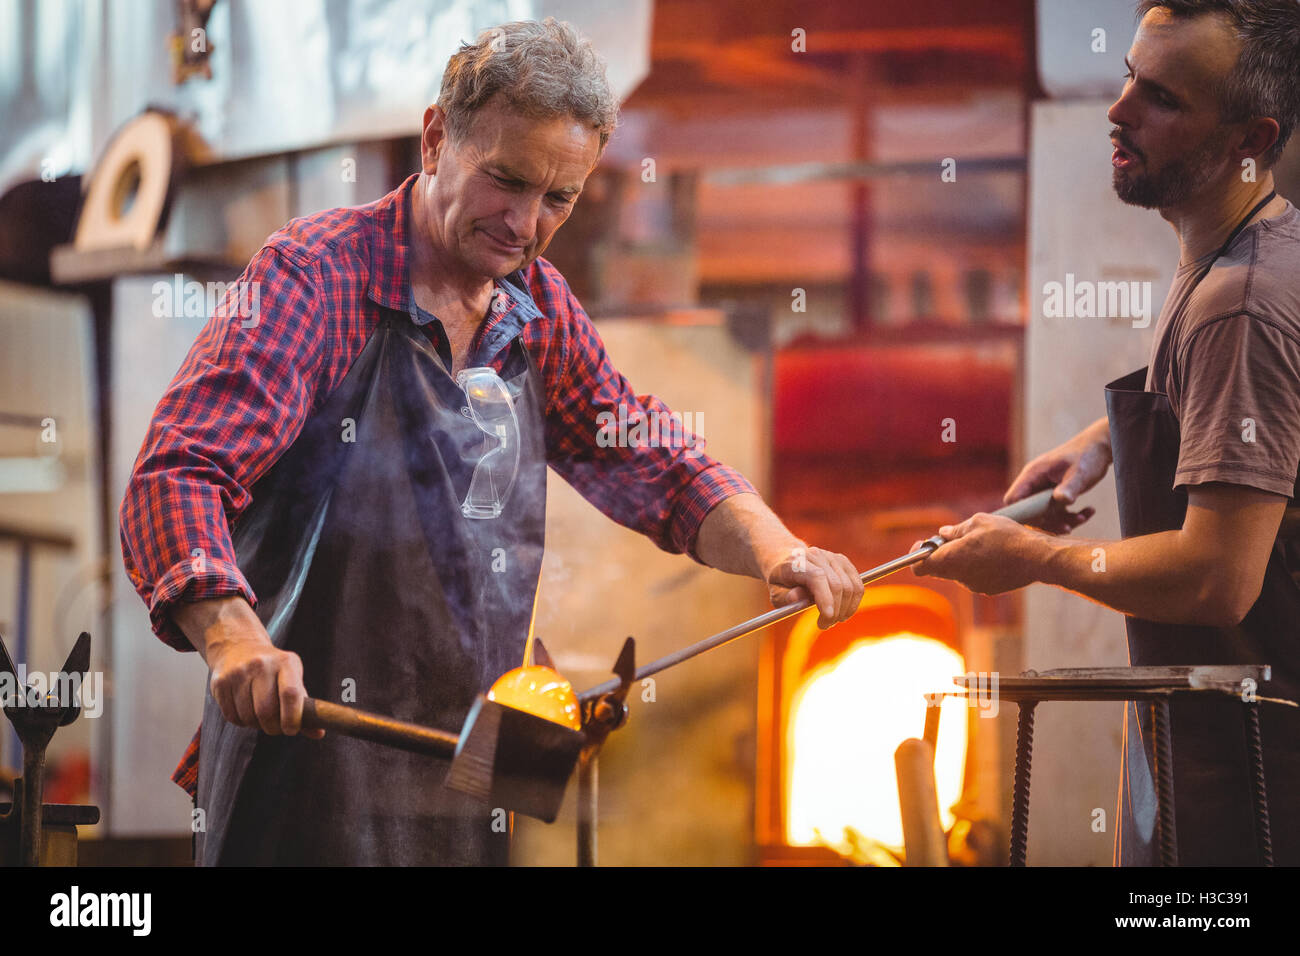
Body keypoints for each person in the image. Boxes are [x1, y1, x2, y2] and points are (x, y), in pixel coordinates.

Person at [119, 18, 864, 865]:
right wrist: (235, 639)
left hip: (470, 778)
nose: (525, 223)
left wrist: (778, 550)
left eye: (559, 199)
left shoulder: (534, 309)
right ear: (437, 139)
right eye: (504, 181)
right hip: (305, 772)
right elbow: (176, 473)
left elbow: (653, 457)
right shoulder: (316, 276)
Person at [914, 0, 1300, 866]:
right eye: (1130, 76)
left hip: (1257, 788)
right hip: (1214, 748)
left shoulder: (1241, 300)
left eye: (1163, 97)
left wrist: (1034, 562)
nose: (1119, 111)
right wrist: (1105, 442)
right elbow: (1255, 413)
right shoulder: (1245, 252)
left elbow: (1217, 579)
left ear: (1250, 137)